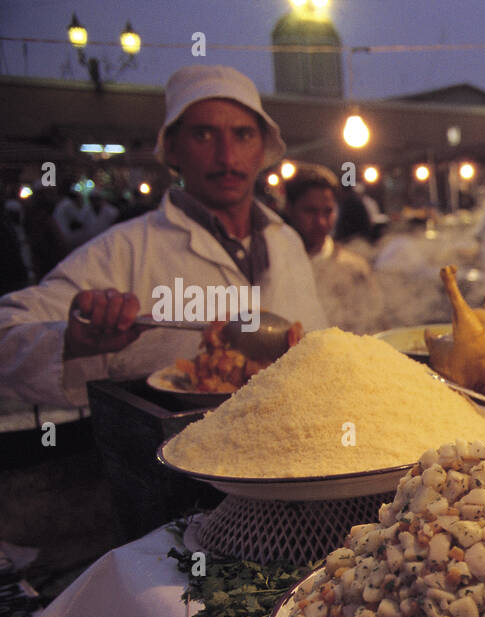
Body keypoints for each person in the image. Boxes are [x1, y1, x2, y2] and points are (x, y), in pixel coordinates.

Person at [0, 65, 325, 407]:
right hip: (170, 452)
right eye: (203, 135)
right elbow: (7, 335)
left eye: (243, 135)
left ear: (262, 150)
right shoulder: (125, 249)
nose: (227, 157)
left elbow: (316, 342)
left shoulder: (286, 240)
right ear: (172, 148)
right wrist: (70, 342)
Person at [282, 163, 383, 334]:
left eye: (328, 211)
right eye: (310, 211)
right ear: (289, 209)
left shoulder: (354, 267)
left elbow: (376, 325)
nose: (320, 221)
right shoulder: (275, 262)